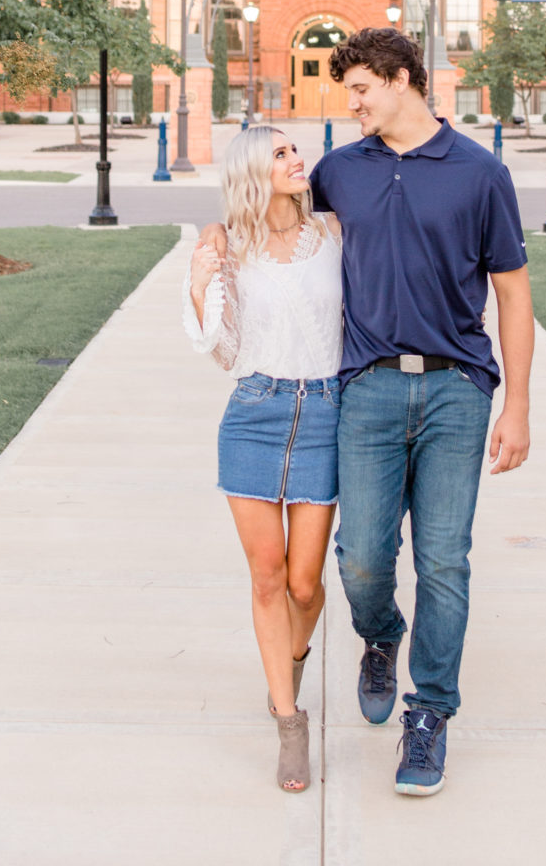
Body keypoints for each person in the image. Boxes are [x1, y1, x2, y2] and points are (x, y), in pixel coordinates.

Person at [202, 28, 534, 799]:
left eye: (358, 90)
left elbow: (513, 293)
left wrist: (516, 405)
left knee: (443, 558)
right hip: (367, 390)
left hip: (457, 388)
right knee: (359, 559)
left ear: (399, 80)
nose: (349, 105)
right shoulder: (341, 172)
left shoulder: (481, 174)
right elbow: (270, 216)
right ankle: (379, 635)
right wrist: (215, 236)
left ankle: (429, 715)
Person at [184, 125, 343, 794]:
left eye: (294, 150)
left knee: (305, 585)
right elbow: (222, 350)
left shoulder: (333, 233)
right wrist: (202, 286)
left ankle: (291, 657)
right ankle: (289, 721)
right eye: (280, 154)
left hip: (326, 414)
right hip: (254, 413)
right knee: (267, 578)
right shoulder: (229, 247)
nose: (296, 159)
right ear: (255, 171)